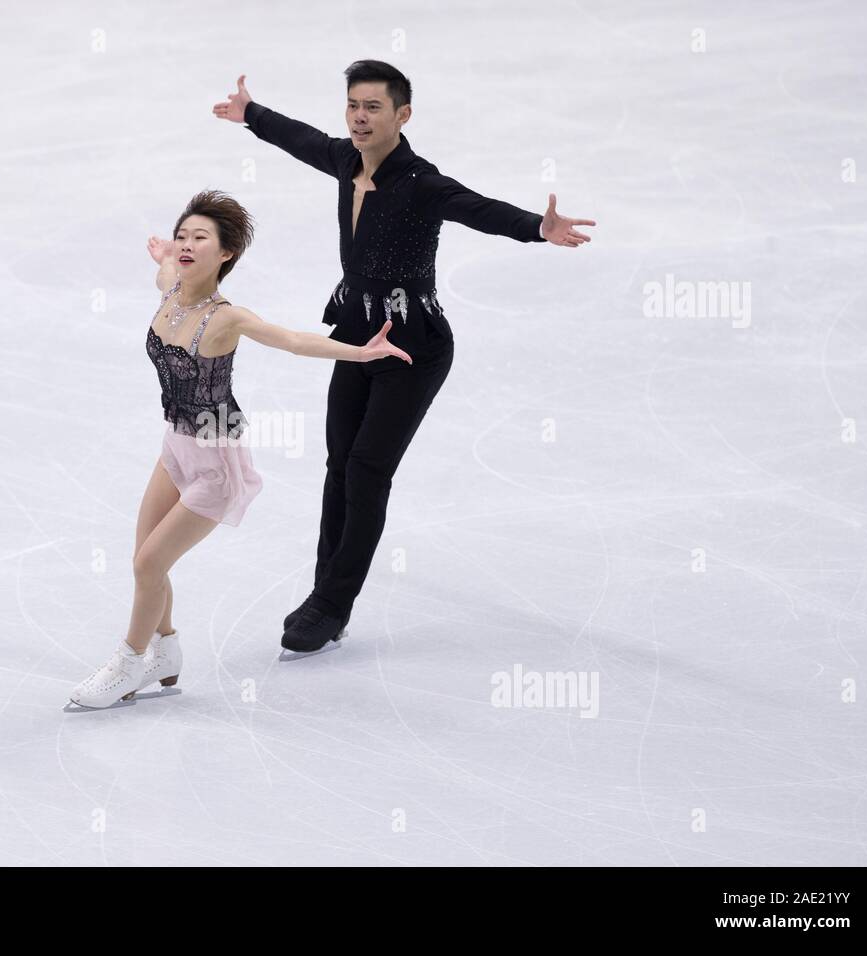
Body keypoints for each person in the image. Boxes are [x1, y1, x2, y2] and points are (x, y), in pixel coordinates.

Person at [212, 61, 597, 652]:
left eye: (373, 108)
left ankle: (332, 604)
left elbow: (478, 208)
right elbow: (301, 139)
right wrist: (251, 115)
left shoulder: (420, 181)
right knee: (339, 465)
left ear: (402, 115)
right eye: (352, 106)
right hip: (357, 339)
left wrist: (536, 228)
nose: (360, 118)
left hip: (413, 348)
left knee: (367, 469)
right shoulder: (344, 159)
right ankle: (325, 596)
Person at [69, 189, 411, 708]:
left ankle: (125, 665)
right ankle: (165, 651)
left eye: (199, 238)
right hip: (176, 445)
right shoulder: (169, 289)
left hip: (215, 463)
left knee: (147, 566)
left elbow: (293, 340)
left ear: (225, 253)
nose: (186, 245)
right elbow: (165, 262)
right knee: (145, 560)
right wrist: (166, 250)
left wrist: (361, 352)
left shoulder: (226, 317)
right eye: (183, 234)